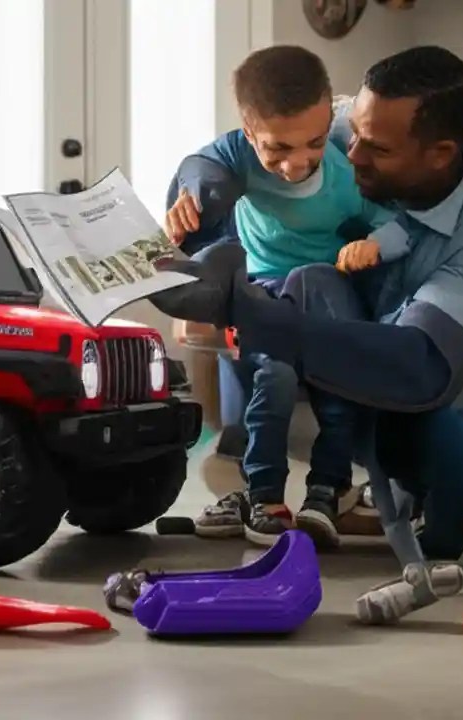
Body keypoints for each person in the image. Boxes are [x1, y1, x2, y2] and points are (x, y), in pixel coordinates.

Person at [154, 45, 463, 565]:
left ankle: (400, 481)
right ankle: (324, 478)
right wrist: (200, 198)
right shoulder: (335, 126)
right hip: (320, 321)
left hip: (430, 352)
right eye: (351, 133)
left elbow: (419, 365)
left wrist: (247, 313)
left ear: (439, 154)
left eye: (374, 148)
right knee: (280, 357)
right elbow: (224, 155)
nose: (349, 154)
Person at [163, 45, 409, 548]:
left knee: (339, 386)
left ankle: (327, 490)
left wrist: (375, 244)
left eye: (313, 142)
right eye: (278, 148)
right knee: (270, 382)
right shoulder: (237, 154)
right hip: (266, 292)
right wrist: (186, 203)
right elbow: (198, 167)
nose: (297, 164)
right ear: (249, 132)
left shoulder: (343, 172)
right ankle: (263, 495)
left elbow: (399, 225)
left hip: (326, 290)